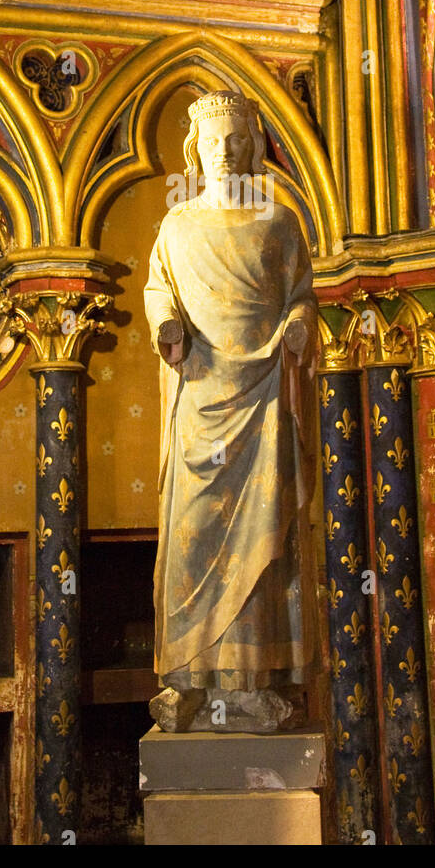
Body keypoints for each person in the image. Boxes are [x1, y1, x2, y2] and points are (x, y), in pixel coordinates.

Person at [143, 91, 320, 732]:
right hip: (202, 397)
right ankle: (188, 683)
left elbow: (302, 295)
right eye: (214, 140)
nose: (224, 151)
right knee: (192, 543)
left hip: (265, 395)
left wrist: (298, 326)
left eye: (236, 140)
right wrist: (167, 326)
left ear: (252, 147)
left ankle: (252, 685)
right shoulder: (177, 225)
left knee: (264, 543)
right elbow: (159, 289)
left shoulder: (278, 223)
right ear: (196, 148)